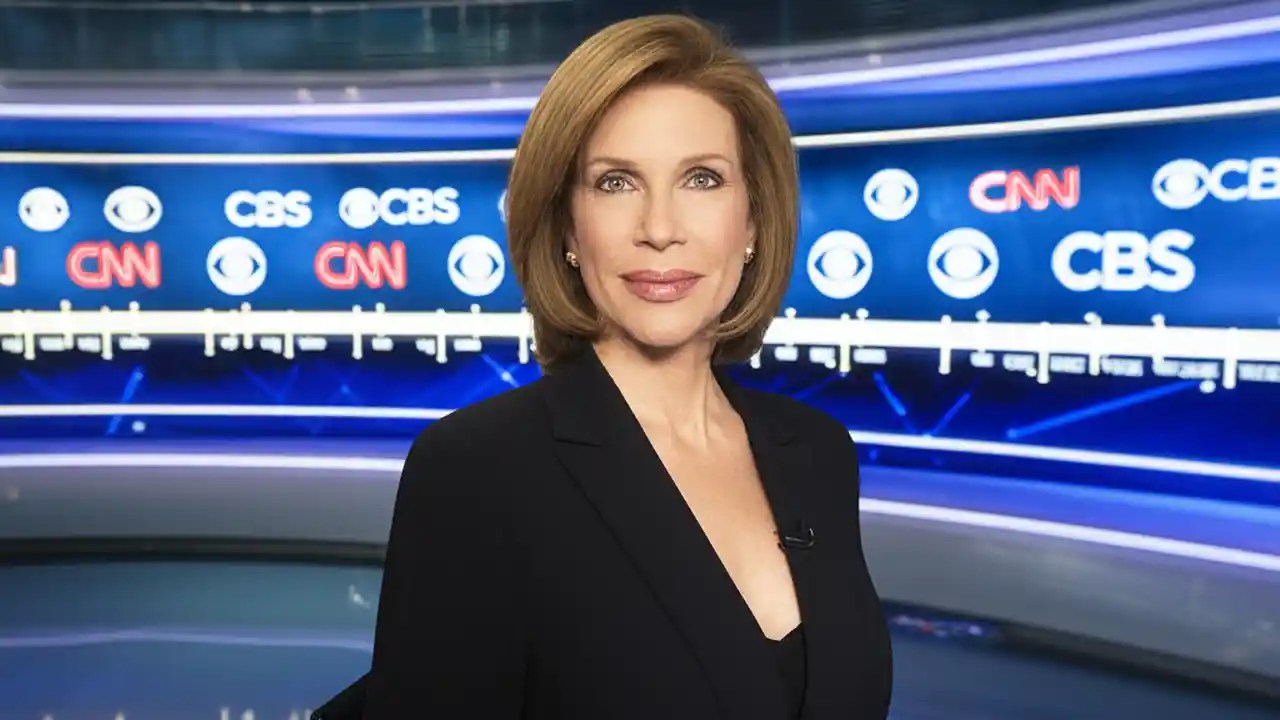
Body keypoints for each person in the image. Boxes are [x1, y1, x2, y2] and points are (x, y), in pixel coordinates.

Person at [362, 14, 893, 720]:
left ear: (754, 223)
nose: (660, 228)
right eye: (615, 183)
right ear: (567, 228)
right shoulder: (478, 471)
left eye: (702, 178)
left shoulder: (819, 453)